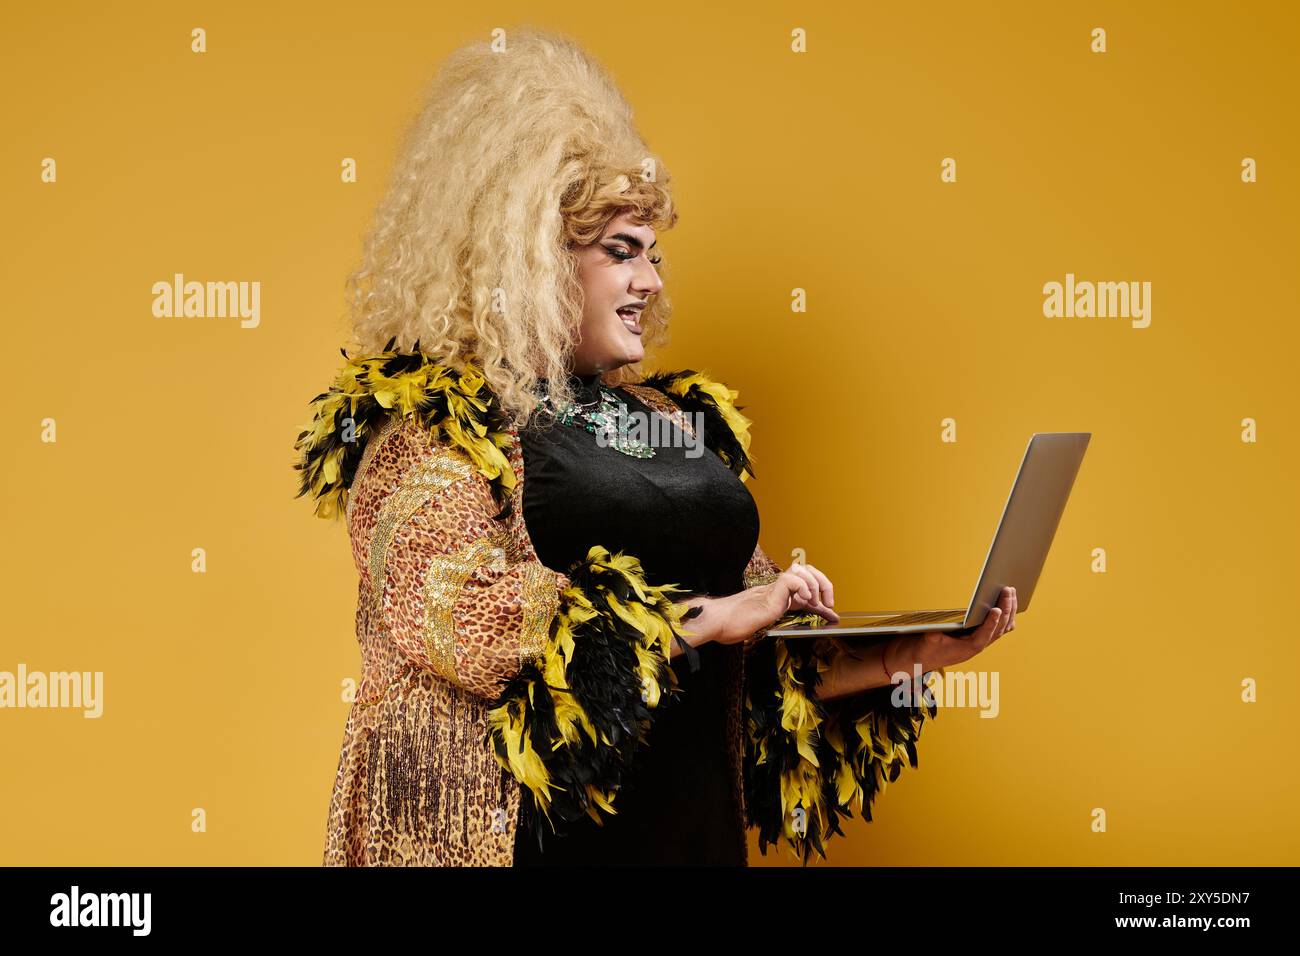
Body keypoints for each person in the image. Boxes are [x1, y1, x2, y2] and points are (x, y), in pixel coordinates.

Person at [292, 28, 1016, 867]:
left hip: (686, 837)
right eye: (621, 253)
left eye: (654, 254)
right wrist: (708, 620)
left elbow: (757, 671)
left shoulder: (667, 423)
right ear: (529, 262)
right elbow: (467, 621)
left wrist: (905, 657)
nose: (652, 282)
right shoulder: (428, 431)